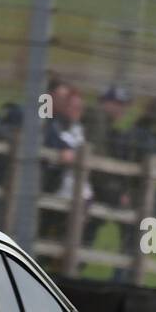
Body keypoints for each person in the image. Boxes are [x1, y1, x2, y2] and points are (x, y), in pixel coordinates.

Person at [81, 84, 134, 248]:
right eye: (118, 103)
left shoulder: (107, 125)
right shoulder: (97, 120)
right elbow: (96, 161)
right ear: (104, 102)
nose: (122, 109)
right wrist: (117, 192)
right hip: (91, 188)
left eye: (124, 104)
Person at [38, 84, 92, 240]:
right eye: (72, 106)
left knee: (71, 241)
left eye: (80, 107)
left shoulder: (80, 129)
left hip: (80, 193)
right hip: (57, 189)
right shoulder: (54, 125)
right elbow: (53, 143)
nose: (77, 110)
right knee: (47, 238)